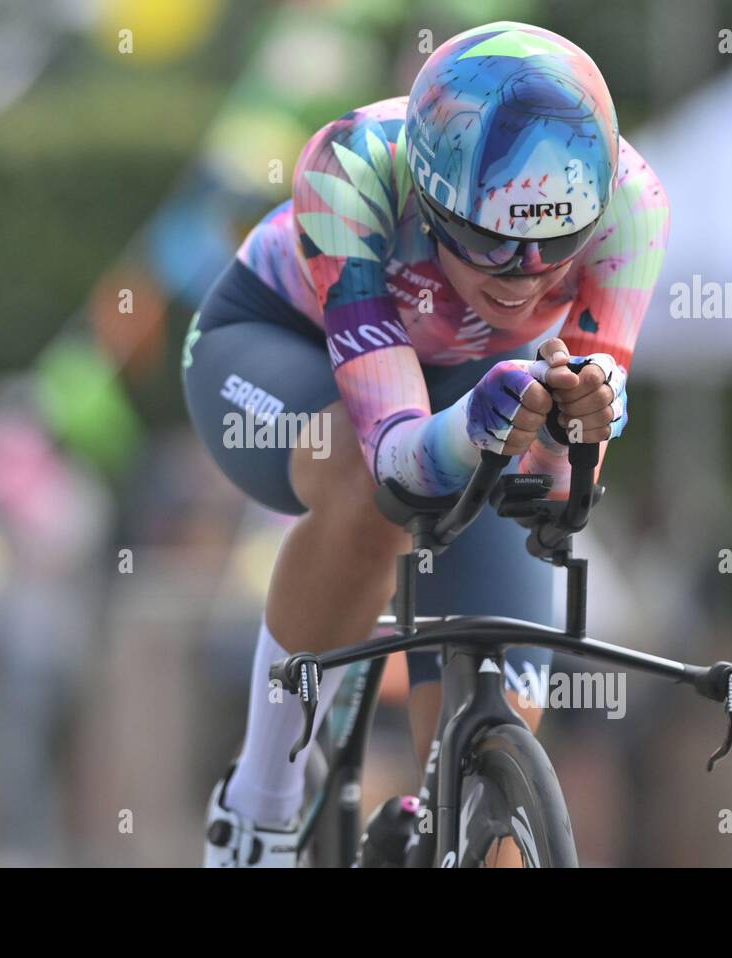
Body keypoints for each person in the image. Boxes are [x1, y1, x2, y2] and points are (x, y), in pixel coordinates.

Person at [182, 21, 669, 866]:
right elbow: (399, 457)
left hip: (475, 390)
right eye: (490, 240)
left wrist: (586, 417)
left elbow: (564, 472)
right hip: (284, 350)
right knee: (367, 498)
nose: (525, 274)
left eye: (557, 245)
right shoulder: (351, 167)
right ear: (433, 198)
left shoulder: (635, 202)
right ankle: (257, 806)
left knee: (502, 810)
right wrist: (485, 420)